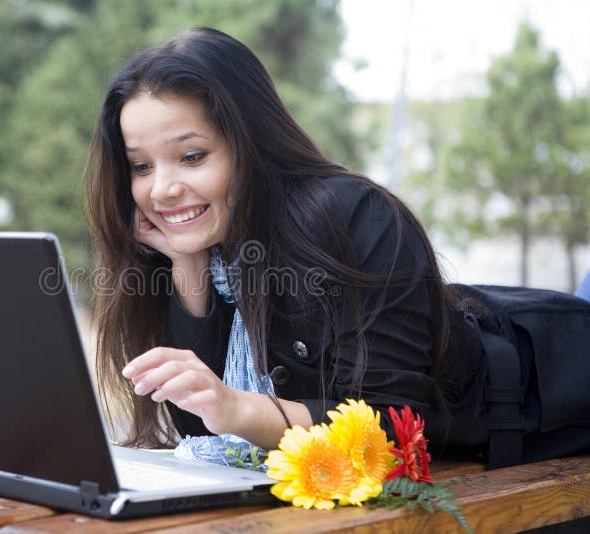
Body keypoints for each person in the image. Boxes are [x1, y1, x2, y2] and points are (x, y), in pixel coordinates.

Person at [83, 27, 590, 465]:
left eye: (192, 156)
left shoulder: (352, 216)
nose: (162, 189)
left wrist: (238, 409)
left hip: (545, 427)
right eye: (141, 166)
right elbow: (206, 431)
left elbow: (390, 425)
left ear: (251, 144)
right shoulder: (208, 250)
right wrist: (187, 265)